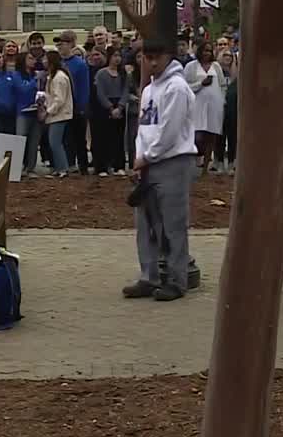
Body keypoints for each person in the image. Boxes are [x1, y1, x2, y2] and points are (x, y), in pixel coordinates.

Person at [123, 44, 196, 302]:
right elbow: (144, 128)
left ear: (168, 57)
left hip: (173, 161)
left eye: (156, 57)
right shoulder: (150, 89)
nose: (151, 63)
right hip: (148, 162)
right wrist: (139, 157)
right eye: (146, 58)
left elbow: (170, 131)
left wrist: (147, 157)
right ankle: (149, 275)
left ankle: (177, 280)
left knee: (172, 224)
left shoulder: (176, 87)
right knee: (146, 223)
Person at [185, 41, 226, 174]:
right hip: (197, 105)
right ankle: (195, 159)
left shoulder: (216, 66)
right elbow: (185, 87)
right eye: (204, 50)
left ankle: (205, 169)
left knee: (211, 135)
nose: (207, 53)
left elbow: (222, 84)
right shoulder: (191, 66)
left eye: (209, 51)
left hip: (215, 105)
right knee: (198, 136)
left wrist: (222, 100)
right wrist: (201, 83)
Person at [57, 30, 90, 175]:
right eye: (58, 43)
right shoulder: (58, 63)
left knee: (79, 138)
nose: (59, 46)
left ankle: (83, 166)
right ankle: (69, 164)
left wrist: (82, 106)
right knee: (66, 138)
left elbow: (84, 86)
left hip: (76, 107)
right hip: (62, 107)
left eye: (62, 43)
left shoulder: (80, 64)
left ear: (71, 44)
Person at [93, 46, 129, 176]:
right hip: (106, 107)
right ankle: (102, 167)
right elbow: (100, 93)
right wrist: (110, 107)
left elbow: (126, 91)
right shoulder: (101, 73)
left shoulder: (124, 73)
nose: (117, 59)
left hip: (119, 105)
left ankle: (118, 165)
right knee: (104, 137)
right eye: (114, 56)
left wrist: (120, 107)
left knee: (118, 137)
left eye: (119, 56)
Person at [42, 50, 74, 178]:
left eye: (45, 59)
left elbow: (59, 99)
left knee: (55, 142)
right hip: (56, 114)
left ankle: (63, 168)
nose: (43, 61)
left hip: (59, 115)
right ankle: (59, 167)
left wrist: (48, 111)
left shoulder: (59, 77)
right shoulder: (53, 76)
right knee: (54, 142)